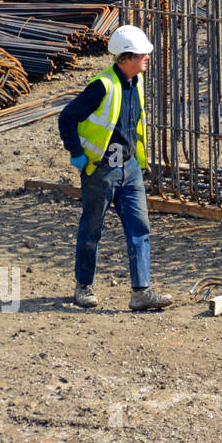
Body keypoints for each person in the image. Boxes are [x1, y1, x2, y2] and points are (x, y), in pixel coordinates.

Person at [58, 25, 173, 312]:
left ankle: (141, 292)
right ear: (126, 57)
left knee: (139, 227)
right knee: (92, 228)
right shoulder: (102, 86)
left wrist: (138, 162)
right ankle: (83, 286)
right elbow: (67, 118)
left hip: (130, 168)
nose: (148, 57)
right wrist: (76, 153)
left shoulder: (137, 82)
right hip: (102, 169)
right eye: (143, 54)